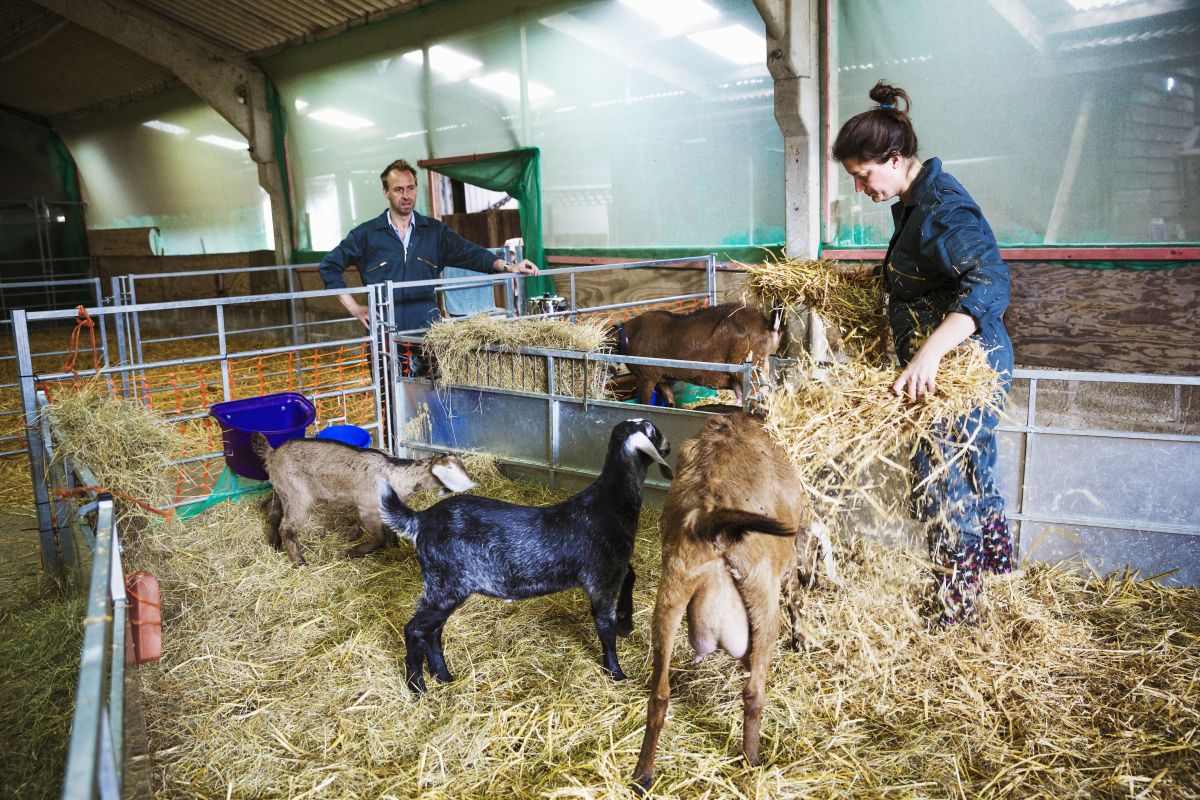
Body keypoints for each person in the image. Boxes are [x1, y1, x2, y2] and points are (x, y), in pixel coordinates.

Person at [831, 81, 1015, 626]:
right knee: (974, 470)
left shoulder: (941, 207)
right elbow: (930, 272)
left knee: (941, 480)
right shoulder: (913, 202)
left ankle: (957, 606)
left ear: (893, 158)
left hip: (963, 366)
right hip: (961, 364)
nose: (861, 188)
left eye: (864, 175)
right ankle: (998, 578)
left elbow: (989, 284)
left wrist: (927, 355)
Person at [319, 159, 540, 332]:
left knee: (427, 389)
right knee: (388, 389)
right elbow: (329, 266)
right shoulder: (366, 235)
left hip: (427, 331)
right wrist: (355, 308)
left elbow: (471, 253)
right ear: (386, 192)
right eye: (398, 190)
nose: (406, 195)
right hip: (383, 334)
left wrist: (511, 267)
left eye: (411, 188)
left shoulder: (435, 232)